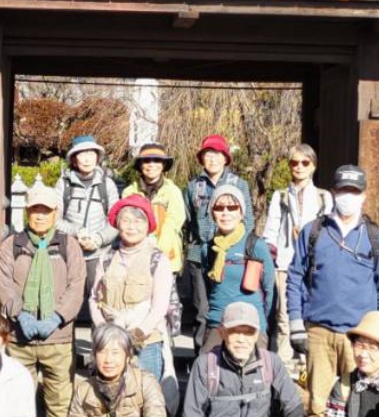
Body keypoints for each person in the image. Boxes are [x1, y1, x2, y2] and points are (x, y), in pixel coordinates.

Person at [286, 163, 379, 417]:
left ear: (363, 195)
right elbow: (295, 277)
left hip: (360, 337)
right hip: (319, 331)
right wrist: (296, 323)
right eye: (343, 190)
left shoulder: (375, 237)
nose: (348, 196)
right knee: (317, 404)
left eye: (354, 191)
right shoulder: (314, 231)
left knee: (357, 406)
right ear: (333, 192)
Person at [0, 181, 87, 417]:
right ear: (27, 212)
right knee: (19, 399)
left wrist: (57, 317)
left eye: (46, 211)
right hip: (19, 337)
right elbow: (3, 282)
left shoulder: (69, 245)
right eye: (35, 210)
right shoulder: (13, 244)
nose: (40, 216)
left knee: (59, 398)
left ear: (55, 213)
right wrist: (19, 312)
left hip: (57, 337)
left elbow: (77, 285)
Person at [90, 194, 174, 383]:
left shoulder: (158, 259)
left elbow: (159, 307)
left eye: (138, 221)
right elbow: (94, 298)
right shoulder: (106, 258)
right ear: (118, 225)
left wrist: (138, 334)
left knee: (145, 393)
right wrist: (103, 329)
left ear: (148, 225)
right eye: (126, 221)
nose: (131, 227)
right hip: (110, 342)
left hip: (146, 343)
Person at [182, 133, 255, 345]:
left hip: (230, 254)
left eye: (217, 154)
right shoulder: (193, 186)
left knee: (227, 306)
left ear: (225, 158)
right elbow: (188, 221)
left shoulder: (239, 184)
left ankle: (226, 352)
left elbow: (248, 220)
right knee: (201, 309)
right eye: (208, 154)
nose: (212, 159)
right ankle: (201, 355)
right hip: (199, 253)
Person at [262, 144, 330, 362]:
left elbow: (330, 232)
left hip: (315, 265)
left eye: (304, 162)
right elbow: (270, 232)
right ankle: (282, 366)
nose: (299, 167)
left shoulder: (324, 197)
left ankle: (308, 363)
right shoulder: (280, 196)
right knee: (284, 318)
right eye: (294, 162)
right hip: (285, 264)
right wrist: (269, 261)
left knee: (312, 315)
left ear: (313, 166)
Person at [201, 184, 273, 346]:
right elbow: (208, 288)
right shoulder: (208, 248)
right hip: (218, 322)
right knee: (205, 361)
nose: (225, 212)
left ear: (241, 212)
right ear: (212, 213)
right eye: (219, 208)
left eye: (232, 207)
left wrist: (266, 324)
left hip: (251, 324)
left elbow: (270, 290)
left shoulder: (256, 245)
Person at [53, 134, 120, 303]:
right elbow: (54, 219)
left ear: (98, 157)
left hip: (99, 254)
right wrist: (77, 232)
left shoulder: (107, 184)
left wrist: (98, 239)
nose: (87, 158)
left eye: (91, 153)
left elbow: (116, 221)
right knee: (66, 300)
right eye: (82, 154)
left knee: (98, 301)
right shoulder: (63, 184)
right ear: (74, 160)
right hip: (69, 252)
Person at [132, 143, 186, 275]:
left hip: (166, 259)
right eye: (146, 160)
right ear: (140, 165)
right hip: (136, 258)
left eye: (157, 160)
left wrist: (158, 252)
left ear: (163, 165)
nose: (151, 165)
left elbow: (173, 222)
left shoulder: (172, 192)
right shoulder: (130, 192)